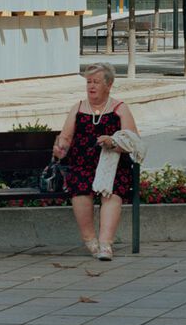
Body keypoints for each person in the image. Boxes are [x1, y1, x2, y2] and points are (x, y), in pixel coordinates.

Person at [50, 62, 137, 260]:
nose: (91, 86)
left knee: (112, 191)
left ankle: (106, 244)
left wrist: (112, 142)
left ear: (109, 84)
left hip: (113, 165)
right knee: (80, 187)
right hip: (82, 164)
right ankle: (91, 242)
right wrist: (60, 148)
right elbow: (65, 138)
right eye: (89, 82)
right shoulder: (78, 108)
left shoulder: (120, 109)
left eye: (96, 82)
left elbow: (132, 141)